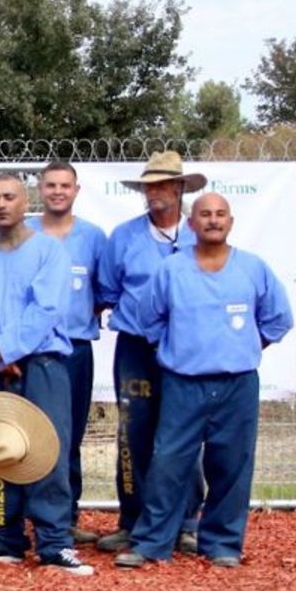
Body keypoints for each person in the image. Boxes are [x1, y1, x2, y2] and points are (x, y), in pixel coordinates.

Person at [116, 193, 293, 569]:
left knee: (231, 465)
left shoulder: (253, 268)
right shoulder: (172, 270)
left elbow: (278, 318)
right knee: (168, 464)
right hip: (183, 383)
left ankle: (223, 544)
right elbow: (150, 320)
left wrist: (244, 346)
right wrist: (178, 349)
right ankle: (152, 543)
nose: (213, 220)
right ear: (191, 223)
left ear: (231, 222)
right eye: (204, 215)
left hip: (237, 384)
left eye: (220, 214)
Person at [0, 173, 93, 576]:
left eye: (9, 197)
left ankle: (53, 542)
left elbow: (46, 308)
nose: (0, 204)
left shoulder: (49, 252)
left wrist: (6, 348)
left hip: (41, 365)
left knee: (47, 450)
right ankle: (6, 538)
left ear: (25, 201)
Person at [97, 151, 205, 553]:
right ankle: (133, 519)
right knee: (133, 432)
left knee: (184, 433)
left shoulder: (198, 234)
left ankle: (187, 521)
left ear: (180, 188)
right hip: (137, 347)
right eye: (149, 185)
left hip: (187, 348)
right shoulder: (124, 236)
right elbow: (107, 291)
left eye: (163, 184)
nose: (155, 192)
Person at [27, 162, 107, 543]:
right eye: (51, 185)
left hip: (73, 349)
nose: (58, 191)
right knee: (24, 432)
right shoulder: (23, 232)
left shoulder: (93, 238)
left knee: (68, 435)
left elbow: (103, 294)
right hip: (26, 351)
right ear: (40, 189)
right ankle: (19, 514)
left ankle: (66, 515)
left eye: (65, 185)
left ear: (76, 190)